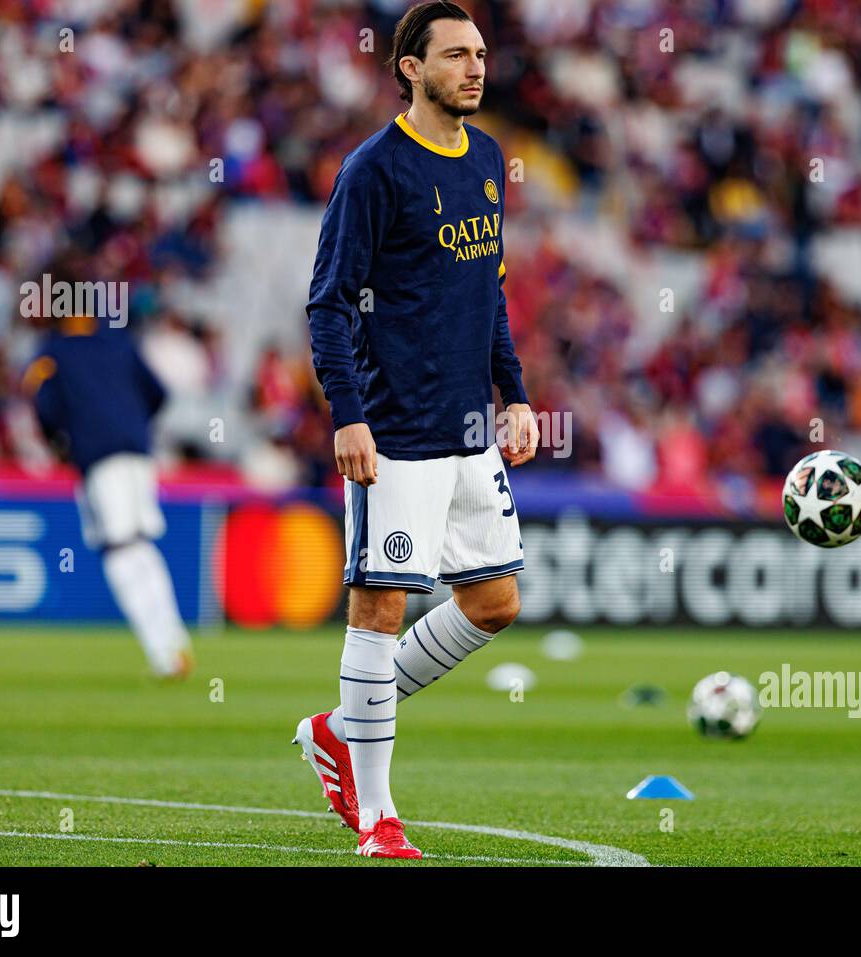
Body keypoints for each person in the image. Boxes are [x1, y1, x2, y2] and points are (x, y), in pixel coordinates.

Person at [295, 1, 538, 859]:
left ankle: (340, 728)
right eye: (456, 56)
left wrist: (514, 391)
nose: (476, 68)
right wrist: (348, 413)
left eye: (481, 54)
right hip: (395, 428)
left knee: (496, 602)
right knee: (379, 608)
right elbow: (327, 302)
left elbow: (491, 289)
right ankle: (377, 816)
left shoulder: (485, 157)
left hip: (472, 426)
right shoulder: (373, 171)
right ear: (409, 66)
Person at [25, 309, 193, 680]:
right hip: (138, 452)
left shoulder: (53, 353)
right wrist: (130, 423)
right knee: (141, 543)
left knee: (119, 549)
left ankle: (163, 652)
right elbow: (159, 392)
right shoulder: (120, 343)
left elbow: (44, 407)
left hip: (99, 457)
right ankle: (173, 639)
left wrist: (64, 443)